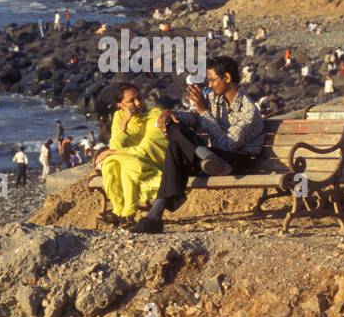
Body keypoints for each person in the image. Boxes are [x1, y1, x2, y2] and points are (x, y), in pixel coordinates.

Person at [130, 57, 265, 234]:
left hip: (238, 160)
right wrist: (170, 114)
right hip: (212, 159)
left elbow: (227, 145)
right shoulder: (214, 99)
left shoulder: (249, 111)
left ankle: (154, 216)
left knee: (176, 148)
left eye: (212, 79)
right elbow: (193, 118)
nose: (209, 84)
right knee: (175, 128)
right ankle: (204, 156)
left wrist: (204, 112)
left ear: (227, 77)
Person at [95, 84, 168, 225]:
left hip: (152, 161)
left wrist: (111, 152)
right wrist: (125, 122)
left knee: (127, 164)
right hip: (131, 161)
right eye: (131, 100)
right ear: (120, 105)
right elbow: (116, 145)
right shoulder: (119, 117)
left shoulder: (155, 115)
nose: (138, 103)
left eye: (139, 98)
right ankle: (118, 210)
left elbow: (144, 150)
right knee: (111, 164)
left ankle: (127, 214)